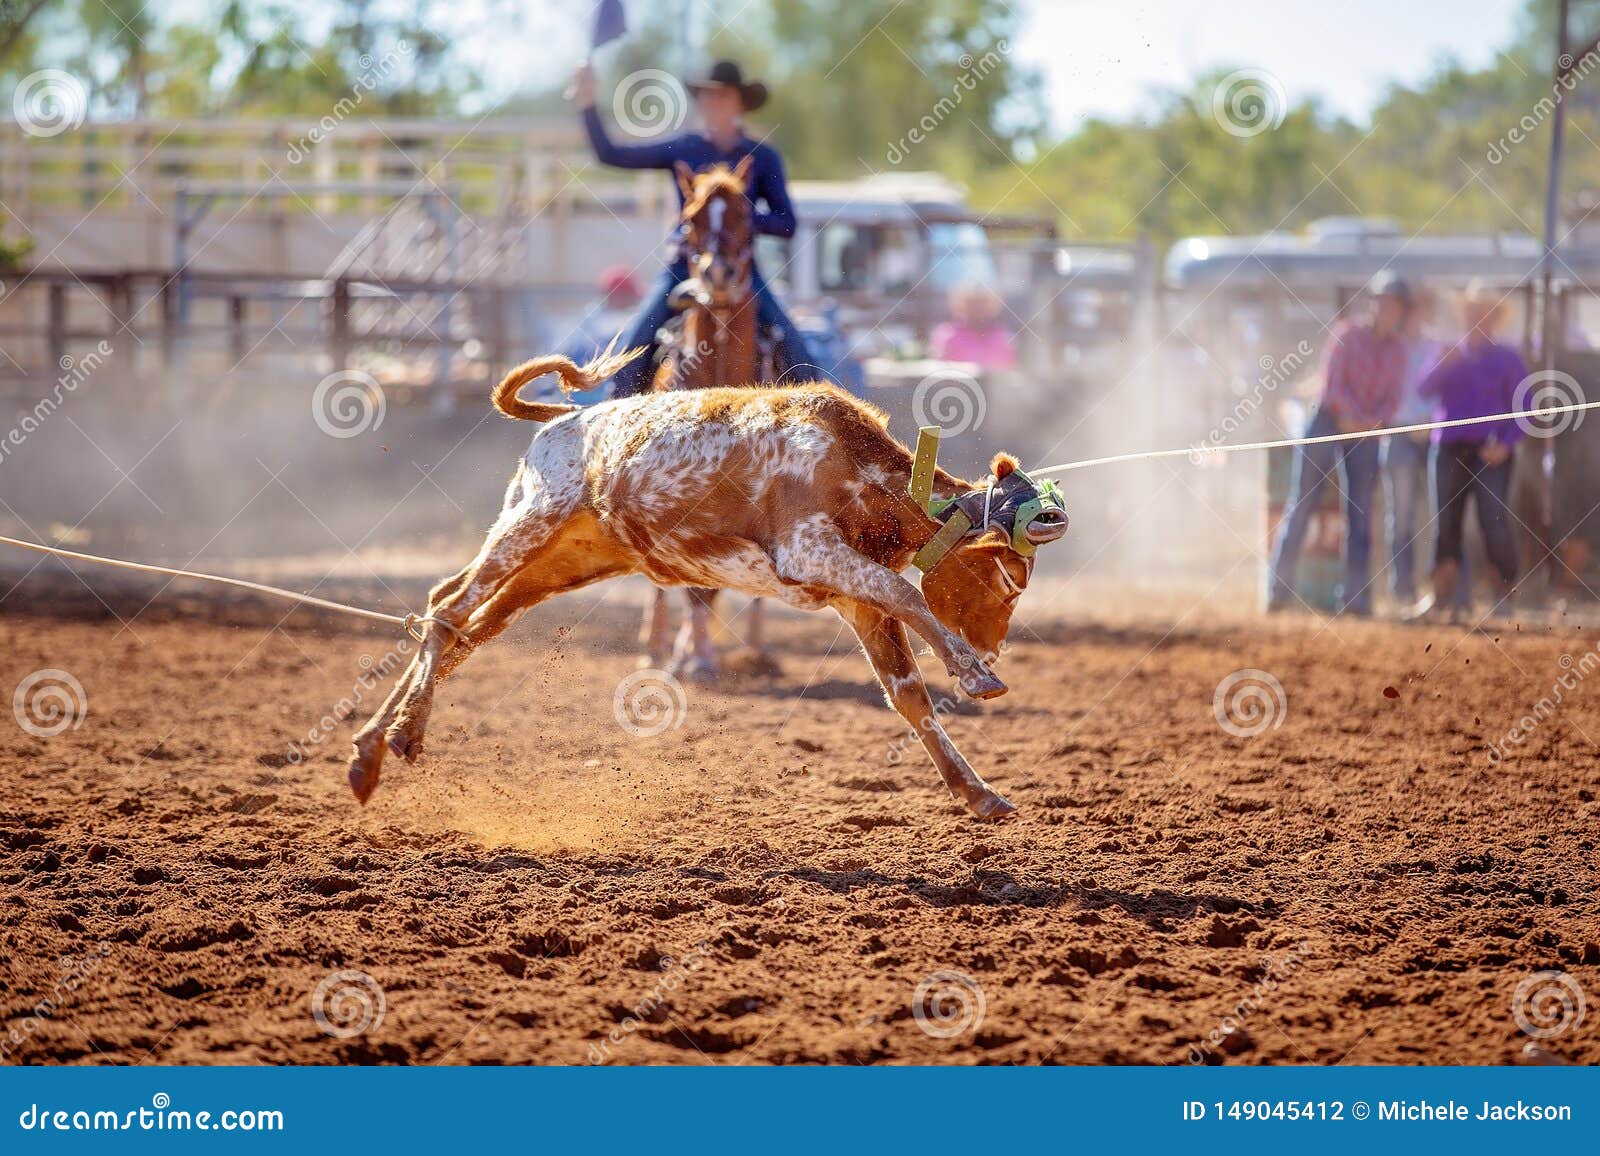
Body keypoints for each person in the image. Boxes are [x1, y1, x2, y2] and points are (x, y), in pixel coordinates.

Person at [569, 59, 822, 396]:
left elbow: (787, 223)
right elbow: (610, 153)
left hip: (741, 271)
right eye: (706, 95)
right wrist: (587, 104)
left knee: (797, 352)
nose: (712, 103)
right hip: (682, 267)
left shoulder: (762, 157)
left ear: (740, 102)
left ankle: (812, 426)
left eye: (722, 96)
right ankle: (617, 416)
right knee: (635, 345)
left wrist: (736, 220)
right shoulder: (685, 148)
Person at [1265, 271, 1410, 616]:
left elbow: (1393, 400)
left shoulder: (1399, 352)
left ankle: (1356, 598)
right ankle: (1279, 591)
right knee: (1303, 501)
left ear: (1401, 311)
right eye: (1383, 302)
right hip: (1330, 419)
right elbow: (1332, 386)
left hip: (1367, 428)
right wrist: (1353, 418)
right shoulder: (1347, 335)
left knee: (1360, 511)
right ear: (1374, 304)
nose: (1387, 310)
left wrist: (1368, 423)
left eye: (1394, 305)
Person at [1411, 281, 1525, 621]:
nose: (1477, 318)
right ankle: (1441, 597)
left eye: (1483, 312)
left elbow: (1525, 408)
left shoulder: (1508, 358)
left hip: (1490, 452)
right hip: (1448, 448)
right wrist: (1444, 363)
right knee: (1446, 522)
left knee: (1494, 522)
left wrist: (1505, 445)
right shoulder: (1449, 352)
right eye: (1472, 312)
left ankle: (1503, 596)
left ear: (1493, 318)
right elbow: (1422, 389)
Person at [1380, 285, 1447, 610]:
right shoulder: (1392, 346)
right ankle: (1401, 588)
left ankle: (1434, 587)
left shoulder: (1437, 346)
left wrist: (1430, 422)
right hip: (1399, 432)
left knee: (1437, 512)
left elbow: (1443, 393)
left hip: (1431, 435)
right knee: (1402, 514)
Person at [555, 265, 644, 403]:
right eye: (626, 295)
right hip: (593, 400)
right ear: (617, 296)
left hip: (579, 397)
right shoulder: (624, 323)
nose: (629, 300)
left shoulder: (588, 318)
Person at [928, 282, 1018, 370]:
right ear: (960, 304)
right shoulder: (945, 335)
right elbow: (936, 370)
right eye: (971, 303)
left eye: (982, 303)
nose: (977, 308)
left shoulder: (1004, 337)